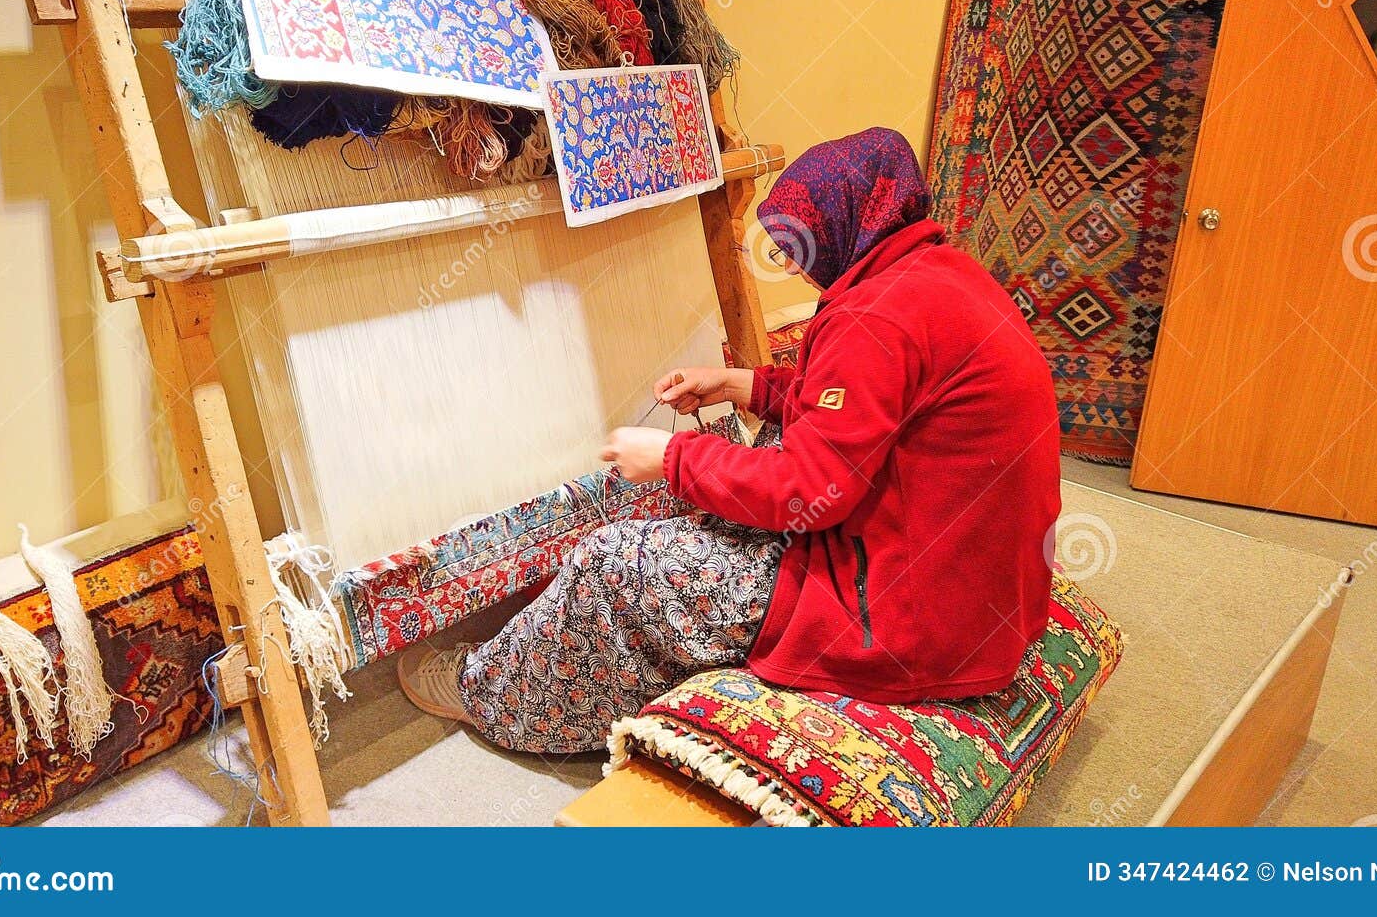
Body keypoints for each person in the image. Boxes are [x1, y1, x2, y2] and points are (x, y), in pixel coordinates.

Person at [398, 127, 1061, 755]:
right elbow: (863, 410)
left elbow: (813, 491)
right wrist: (746, 385)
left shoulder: (872, 316)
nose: (798, 266)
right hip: (974, 589)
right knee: (771, 439)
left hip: (906, 621)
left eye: (801, 244)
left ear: (843, 223)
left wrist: (671, 459)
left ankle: (488, 693)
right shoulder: (937, 276)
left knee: (615, 560)